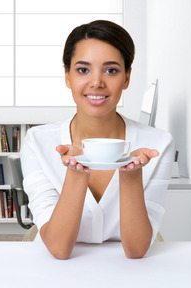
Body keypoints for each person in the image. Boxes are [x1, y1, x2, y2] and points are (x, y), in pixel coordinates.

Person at [20, 20, 174, 260]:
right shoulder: (37, 142)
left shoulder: (159, 144)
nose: (96, 82)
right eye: (83, 70)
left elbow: (136, 250)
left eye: (111, 70)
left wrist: (131, 174)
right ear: (67, 76)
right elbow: (59, 248)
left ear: (126, 77)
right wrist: (76, 173)